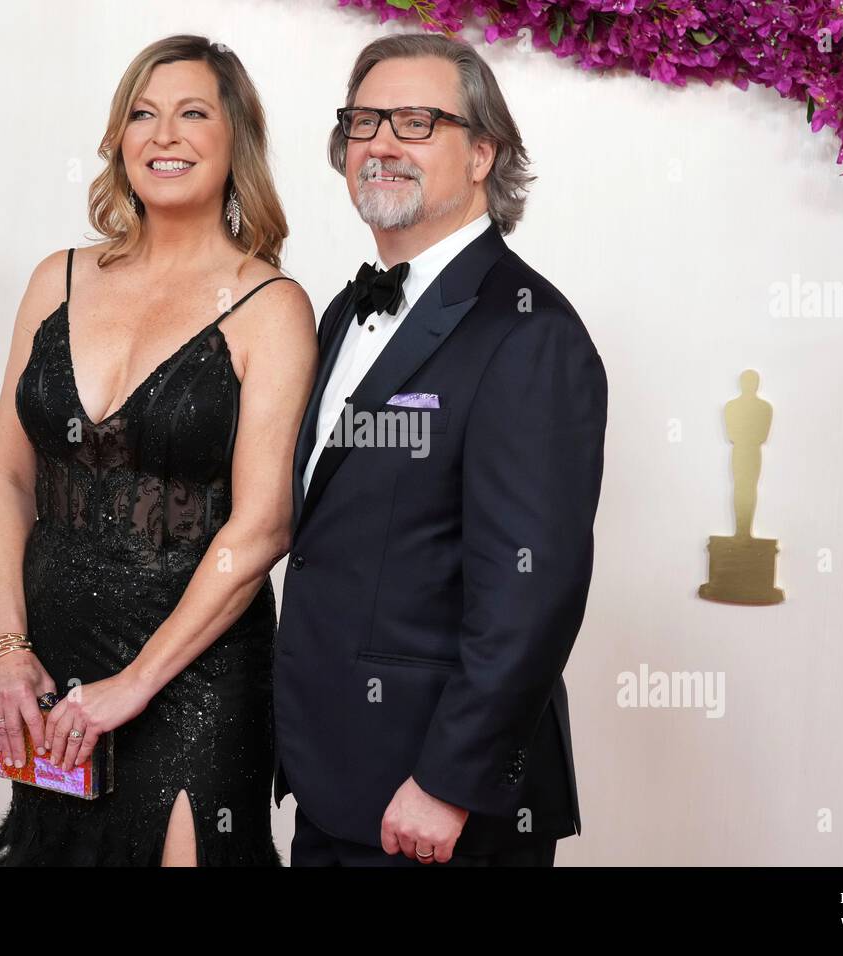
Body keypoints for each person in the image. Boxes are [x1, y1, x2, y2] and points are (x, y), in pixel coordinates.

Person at [0, 35, 316, 866]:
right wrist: (6, 646)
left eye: (193, 113)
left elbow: (262, 526)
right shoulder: (57, 278)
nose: (165, 135)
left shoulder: (272, 306)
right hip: (57, 664)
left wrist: (133, 685)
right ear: (119, 141)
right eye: (143, 115)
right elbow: (9, 480)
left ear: (236, 141)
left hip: (197, 675)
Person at [274, 33, 608, 866]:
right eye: (364, 121)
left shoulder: (531, 333)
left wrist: (448, 782)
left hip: (436, 805)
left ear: (483, 153)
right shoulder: (346, 312)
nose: (382, 143)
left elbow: (533, 591)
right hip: (334, 781)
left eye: (417, 122)